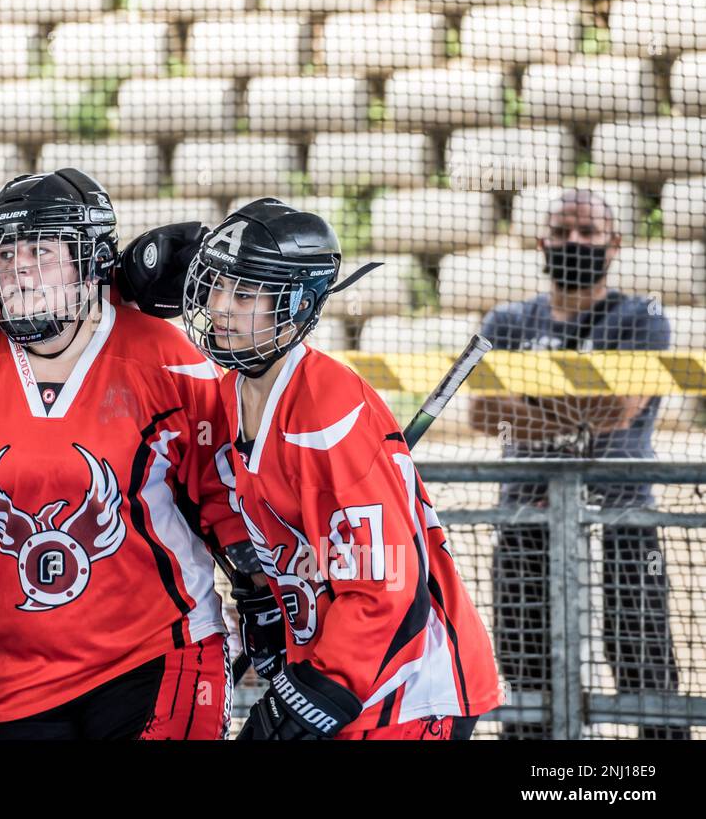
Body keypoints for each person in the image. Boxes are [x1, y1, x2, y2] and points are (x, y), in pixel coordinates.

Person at [129, 198, 502, 739]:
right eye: (218, 285)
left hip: (405, 690)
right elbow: (238, 511)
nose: (221, 307)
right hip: (333, 656)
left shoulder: (328, 412)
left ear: (297, 305)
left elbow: (388, 590)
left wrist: (314, 696)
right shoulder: (234, 392)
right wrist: (259, 592)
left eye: (246, 293)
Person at [0, 169, 249, 739]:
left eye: (41, 250)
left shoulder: (169, 362)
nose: (19, 266)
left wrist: (265, 596)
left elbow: (225, 500)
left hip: (155, 654)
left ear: (89, 261)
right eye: (7, 250)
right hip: (13, 675)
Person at [469, 188, 684, 739]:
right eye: (563, 230)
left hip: (621, 515)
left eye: (587, 232)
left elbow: (619, 409)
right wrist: (578, 410)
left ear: (614, 244)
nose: (573, 241)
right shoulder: (508, 321)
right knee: (526, 671)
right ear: (542, 242)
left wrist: (529, 404)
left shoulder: (642, 317)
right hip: (525, 517)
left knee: (643, 663)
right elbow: (482, 412)